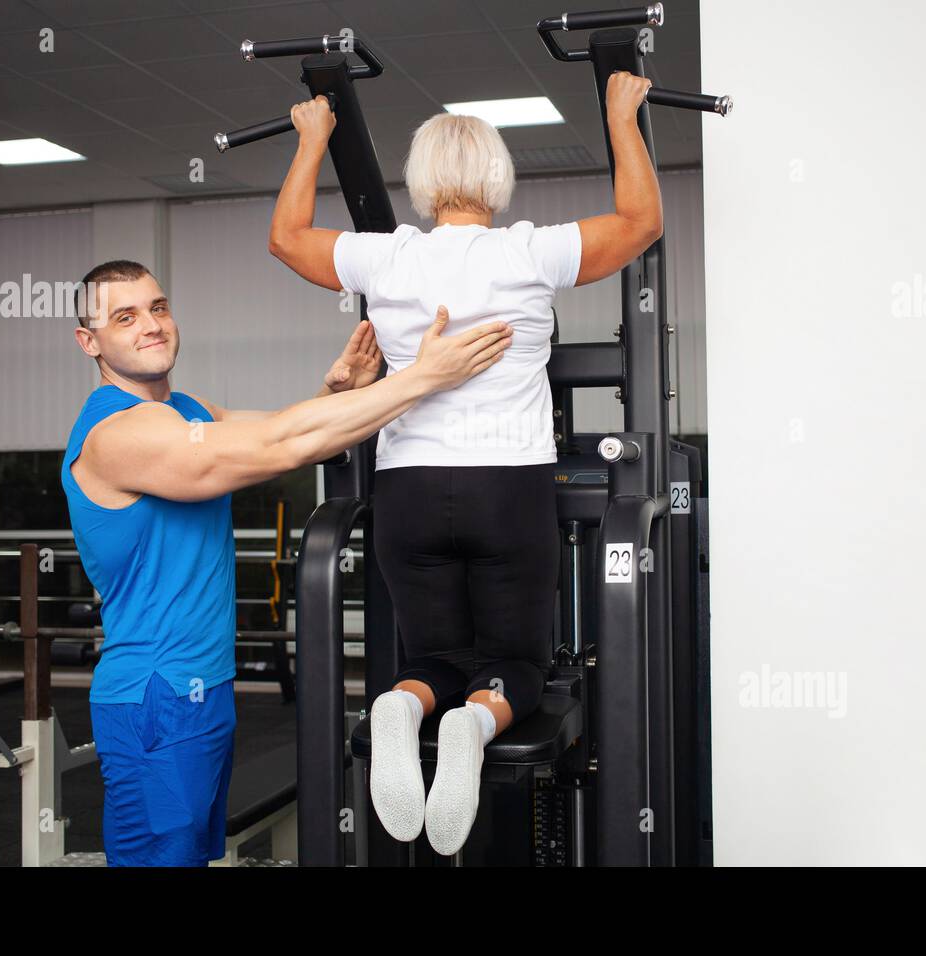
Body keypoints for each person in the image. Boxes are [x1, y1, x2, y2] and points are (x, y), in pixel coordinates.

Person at [267, 71, 663, 854]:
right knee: (514, 660)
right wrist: (622, 116)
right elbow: (641, 221)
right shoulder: (530, 253)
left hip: (407, 489)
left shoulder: (386, 260)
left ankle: (401, 707)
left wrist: (311, 140)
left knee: (437, 657)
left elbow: (286, 239)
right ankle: (474, 728)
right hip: (506, 488)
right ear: (497, 180)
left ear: (420, 186)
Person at [61, 259, 512, 865]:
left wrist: (336, 396)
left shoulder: (188, 411)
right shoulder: (115, 434)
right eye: (125, 316)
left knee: (194, 856)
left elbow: (278, 430)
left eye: (158, 307)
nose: (152, 325)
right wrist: (424, 378)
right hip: (153, 698)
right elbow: (281, 445)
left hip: (204, 688)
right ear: (90, 342)